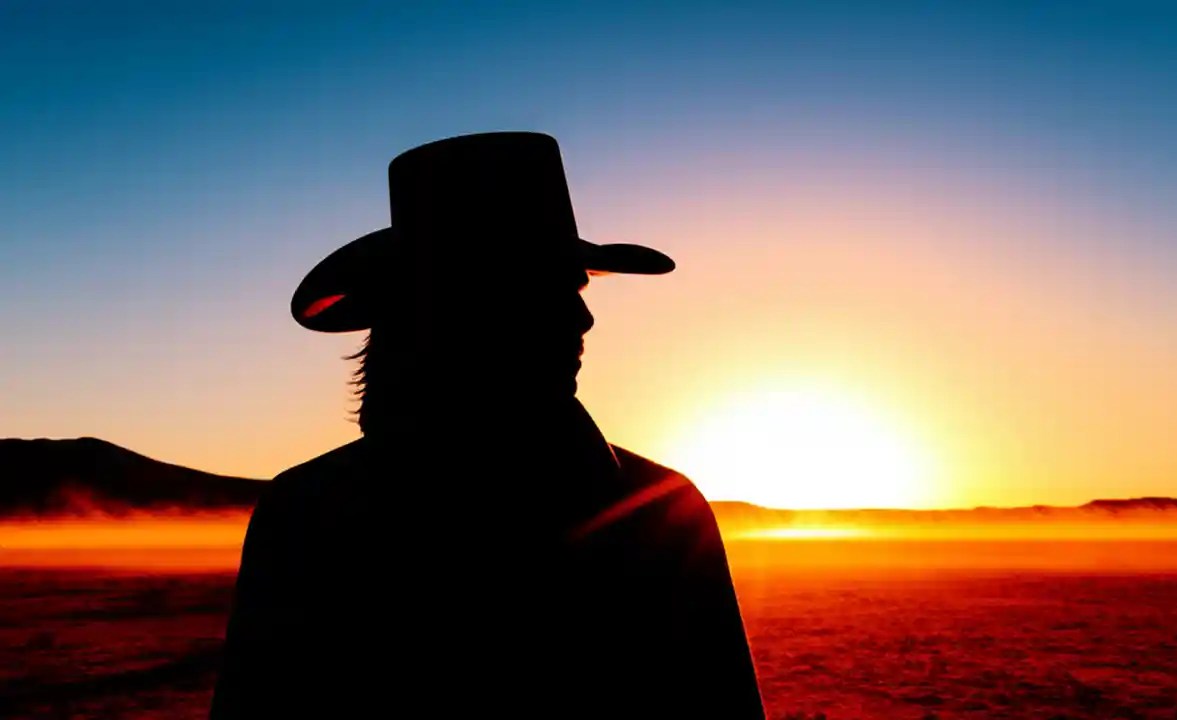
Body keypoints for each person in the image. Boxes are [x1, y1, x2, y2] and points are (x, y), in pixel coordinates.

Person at [210, 132, 766, 719]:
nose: (583, 318)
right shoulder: (658, 511)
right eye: (540, 290)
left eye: (574, 288)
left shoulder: (307, 509)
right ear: (450, 312)